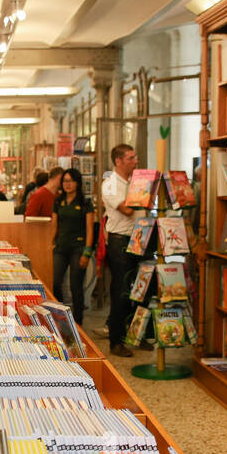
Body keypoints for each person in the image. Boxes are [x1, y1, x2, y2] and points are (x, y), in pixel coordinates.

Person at [101, 143, 143, 357]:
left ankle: (136, 334)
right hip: (120, 242)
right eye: (130, 158)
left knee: (140, 289)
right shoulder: (110, 185)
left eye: (135, 157)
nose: (136, 161)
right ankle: (115, 341)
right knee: (121, 290)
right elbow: (127, 210)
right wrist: (142, 192)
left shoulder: (134, 182)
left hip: (139, 238)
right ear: (118, 161)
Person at [51, 168, 94, 325]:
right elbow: (54, 226)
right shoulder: (58, 201)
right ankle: (60, 317)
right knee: (55, 282)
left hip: (79, 248)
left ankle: (78, 323)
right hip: (61, 247)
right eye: (64, 181)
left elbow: (90, 229)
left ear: (77, 183)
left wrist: (87, 253)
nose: (67, 184)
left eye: (71, 181)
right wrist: (50, 244)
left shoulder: (85, 203)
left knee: (76, 287)